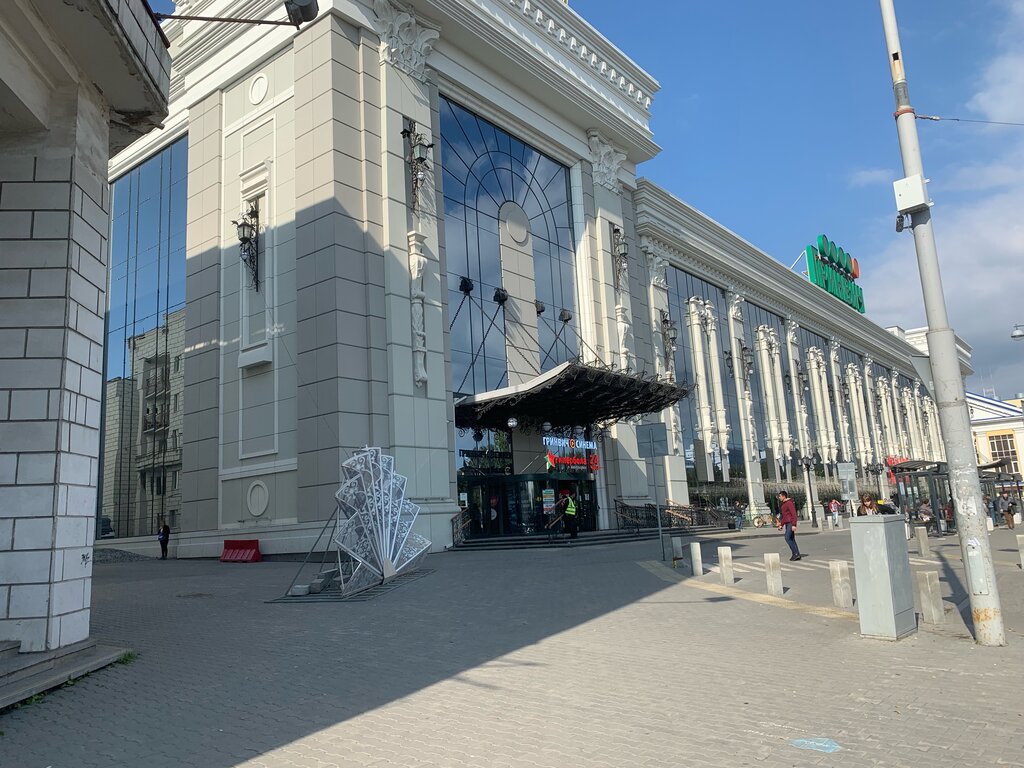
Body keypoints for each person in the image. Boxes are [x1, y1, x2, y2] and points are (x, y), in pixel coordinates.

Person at [776, 491, 802, 561]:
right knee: (791, 539)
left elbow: (793, 514)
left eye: (780, 496)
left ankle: (796, 553)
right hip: (787, 523)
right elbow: (785, 517)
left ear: (784, 496)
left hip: (790, 523)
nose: (779, 498)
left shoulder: (789, 503)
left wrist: (794, 524)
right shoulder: (784, 504)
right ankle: (796, 554)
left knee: (787, 537)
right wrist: (781, 524)